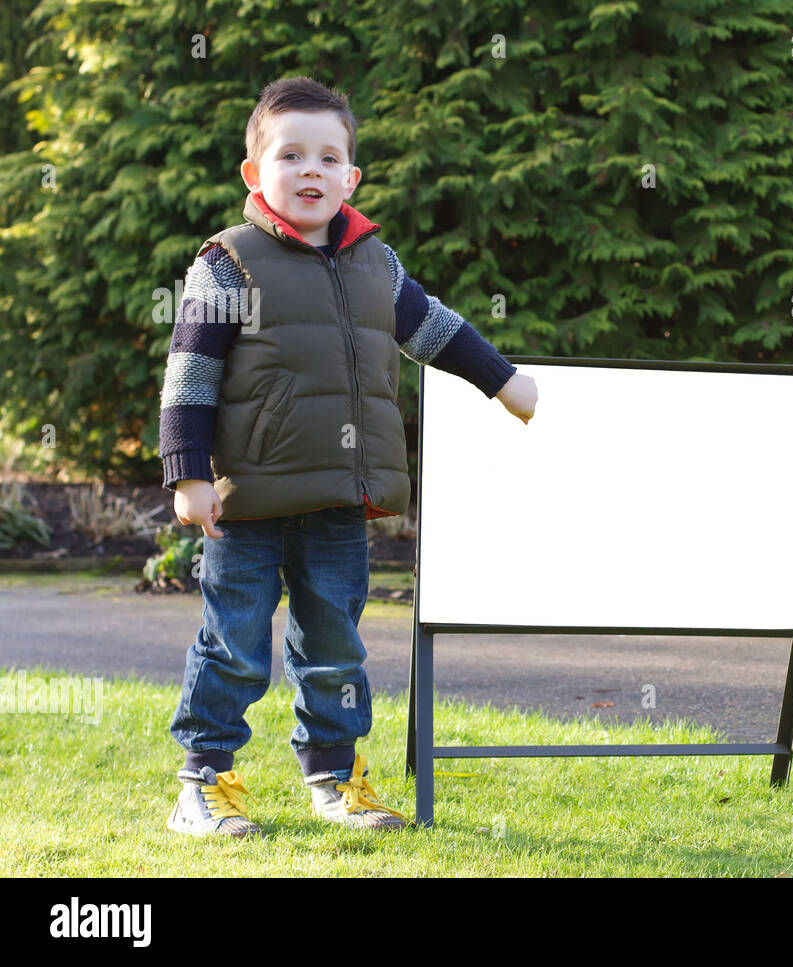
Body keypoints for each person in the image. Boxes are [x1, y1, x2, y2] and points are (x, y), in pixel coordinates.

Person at [157, 75, 538, 836]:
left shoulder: (376, 265)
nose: (310, 171)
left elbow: (435, 328)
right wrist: (189, 473)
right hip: (247, 505)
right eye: (290, 155)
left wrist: (502, 380)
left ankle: (334, 777)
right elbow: (190, 371)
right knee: (234, 644)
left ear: (351, 177)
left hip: (337, 501)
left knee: (334, 644)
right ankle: (203, 781)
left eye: (329, 158)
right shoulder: (229, 262)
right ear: (253, 174)